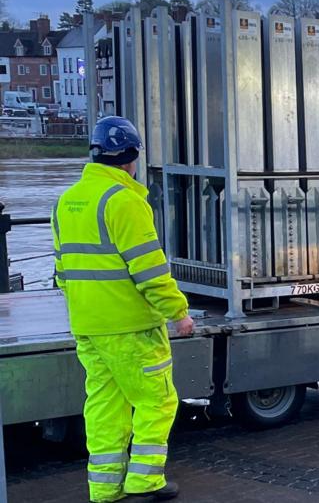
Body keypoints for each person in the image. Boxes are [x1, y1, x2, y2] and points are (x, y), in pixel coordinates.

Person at [52, 116, 193, 502]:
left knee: (104, 407)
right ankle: (145, 482)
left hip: (88, 327)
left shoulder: (66, 202)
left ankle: (104, 489)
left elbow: (62, 272)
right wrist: (178, 312)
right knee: (157, 401)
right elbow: (150, 271)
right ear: (131, 156)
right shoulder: (125, 202)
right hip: (131, 328)